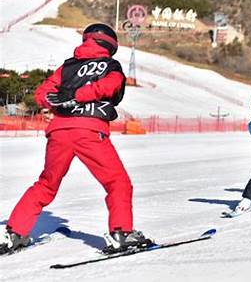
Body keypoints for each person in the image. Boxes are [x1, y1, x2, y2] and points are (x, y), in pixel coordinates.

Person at [0, 23, 151, 255]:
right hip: (90, 130)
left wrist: (59, 100)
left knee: (47, 184)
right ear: (111, 45)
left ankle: (15, 233)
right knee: (117, 182)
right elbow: (110, 86)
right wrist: (80, 96)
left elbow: (42, 93)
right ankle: (122, 233)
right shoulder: (111, 65)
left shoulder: (67, 67)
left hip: (59, 131)